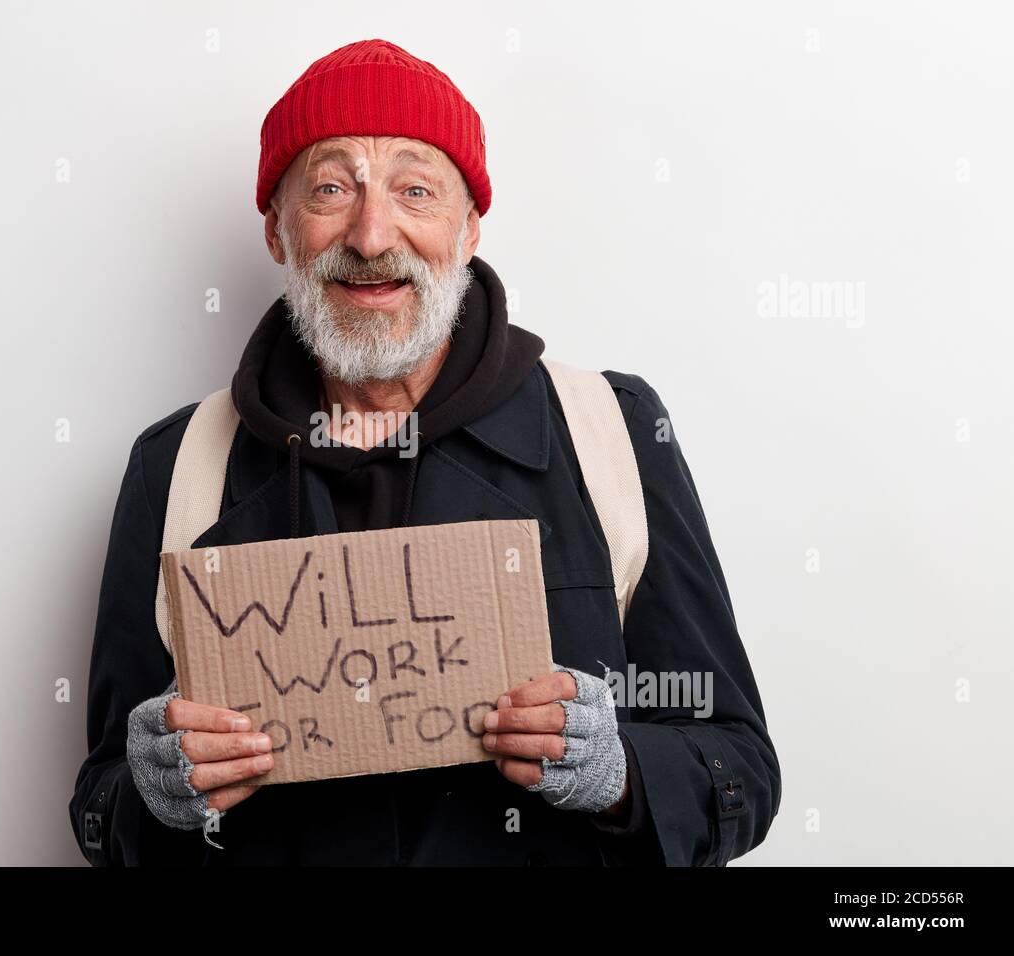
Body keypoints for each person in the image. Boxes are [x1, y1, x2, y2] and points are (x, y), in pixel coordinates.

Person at [69, 38, 779, 865]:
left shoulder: (612, 432)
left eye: (415, 190)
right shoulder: (176, 469)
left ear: (469, 227)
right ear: (276, 231)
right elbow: (99, 807)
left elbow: (743, 770)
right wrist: (152, 798)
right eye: (330, 189)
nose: (372, 236)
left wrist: (623, 771)